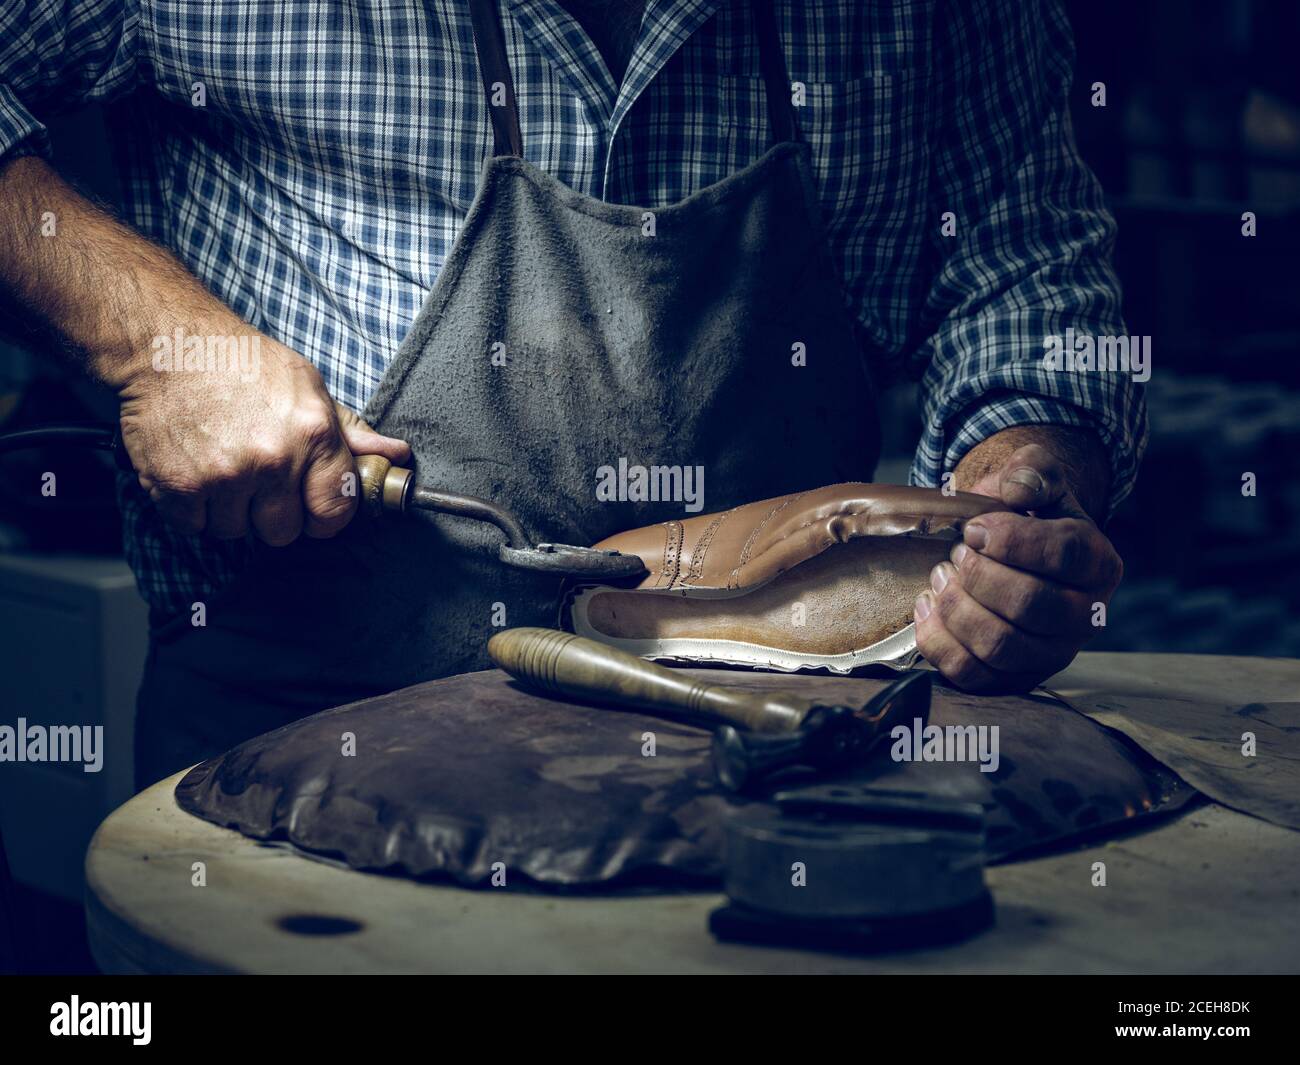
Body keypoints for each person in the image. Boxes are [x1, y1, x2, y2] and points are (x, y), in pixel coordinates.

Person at [0, 0, 1136, 786]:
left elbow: (1021, 250)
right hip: (311, 755)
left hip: (782, 766)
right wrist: (155, 342)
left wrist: (1019, 495)